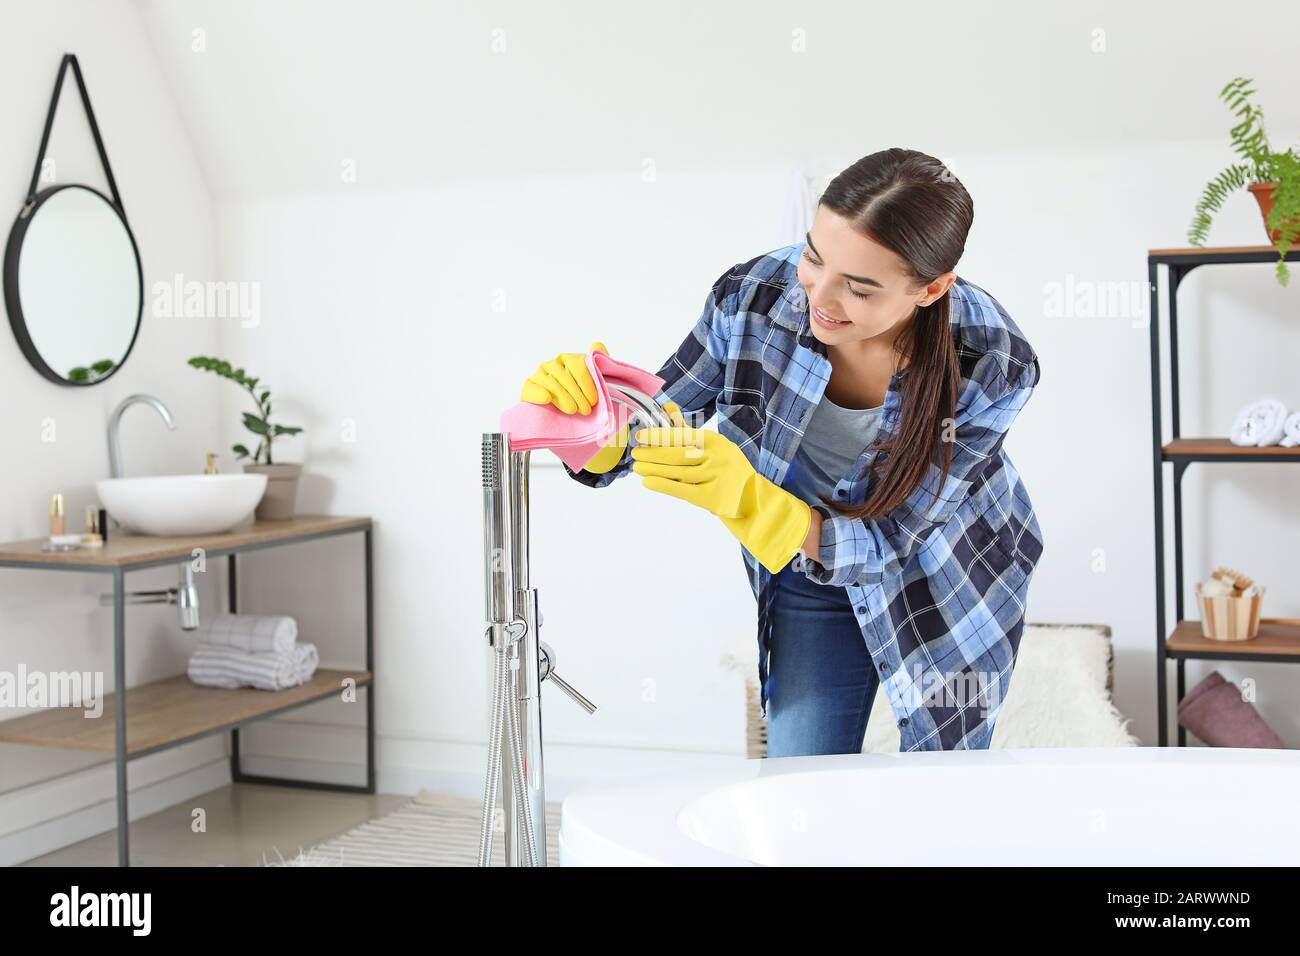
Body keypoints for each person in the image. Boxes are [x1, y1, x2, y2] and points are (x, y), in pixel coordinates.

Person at [518, 147, 1043, 755]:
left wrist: (752, 501)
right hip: (805, 569)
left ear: (931, 289)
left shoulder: (993, 357)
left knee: (941, 791)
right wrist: (590, 421)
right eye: (814, 257)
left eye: (861, 290)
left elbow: (896, 542)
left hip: (946, 576)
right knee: (799, 789)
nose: (820, 295)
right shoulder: (753, 296)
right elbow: (658, 423)